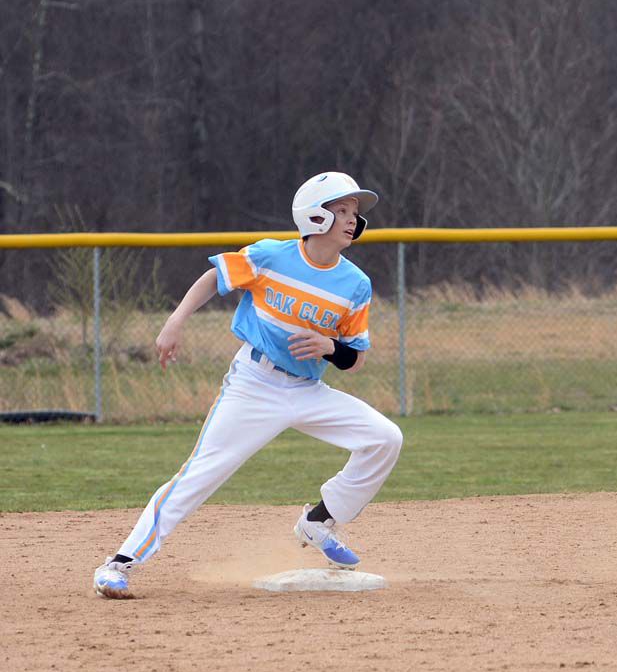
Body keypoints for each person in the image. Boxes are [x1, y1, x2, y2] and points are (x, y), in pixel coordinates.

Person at [93, 172, 403, 599]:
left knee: (385, 438)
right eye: (343, 210)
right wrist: (175, 320)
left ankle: (319, 521)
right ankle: (120, 564)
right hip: (254, 385)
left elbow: (355, 359)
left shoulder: (356, 283)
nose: (353, 220)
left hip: (308, 391)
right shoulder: (271, 256)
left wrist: (329, 346)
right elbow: (213, 278)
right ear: (314, 216)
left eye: (356, 213)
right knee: (200, 474)